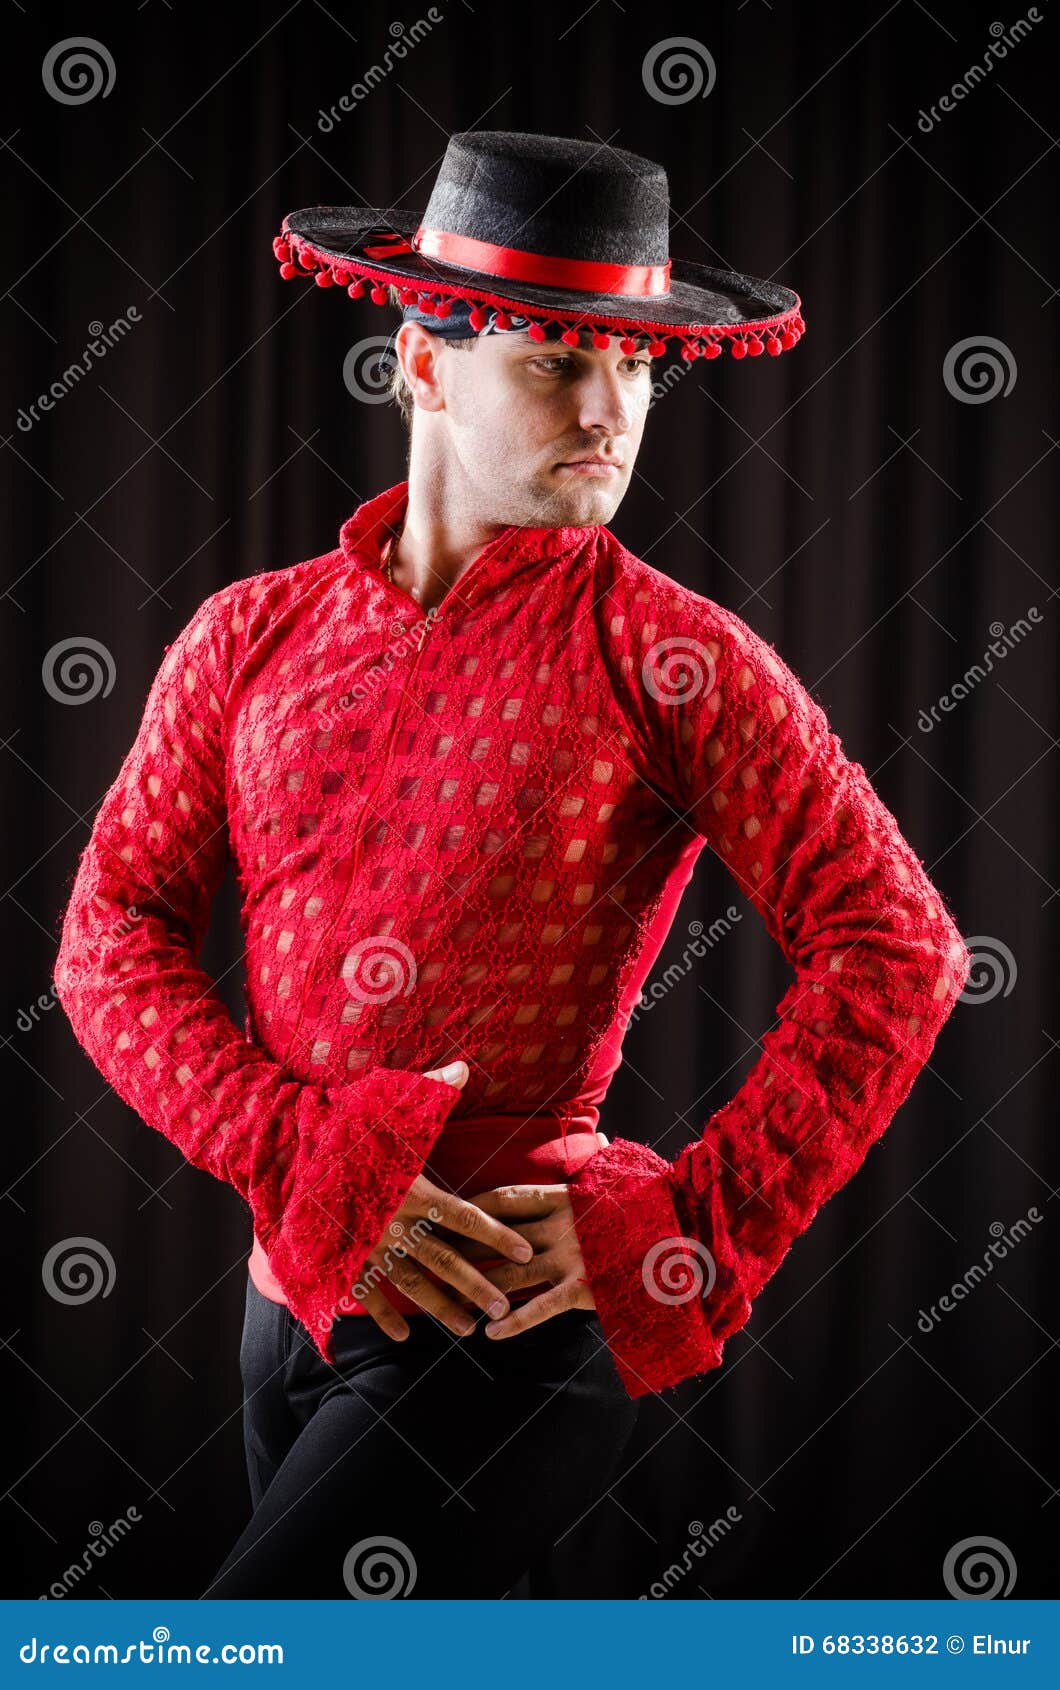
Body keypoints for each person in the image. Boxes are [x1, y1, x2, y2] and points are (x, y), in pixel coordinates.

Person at [52, 131, 970, 1599]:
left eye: (637, 366)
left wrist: (686, 1221)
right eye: (556, 360)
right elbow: (109, 934)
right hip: (282, 1304)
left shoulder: (670, 655)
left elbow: (900, 947)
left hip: (503, 1322)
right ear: (423, 367)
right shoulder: (246, 636)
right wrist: (296, 1152)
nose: (610, 411)